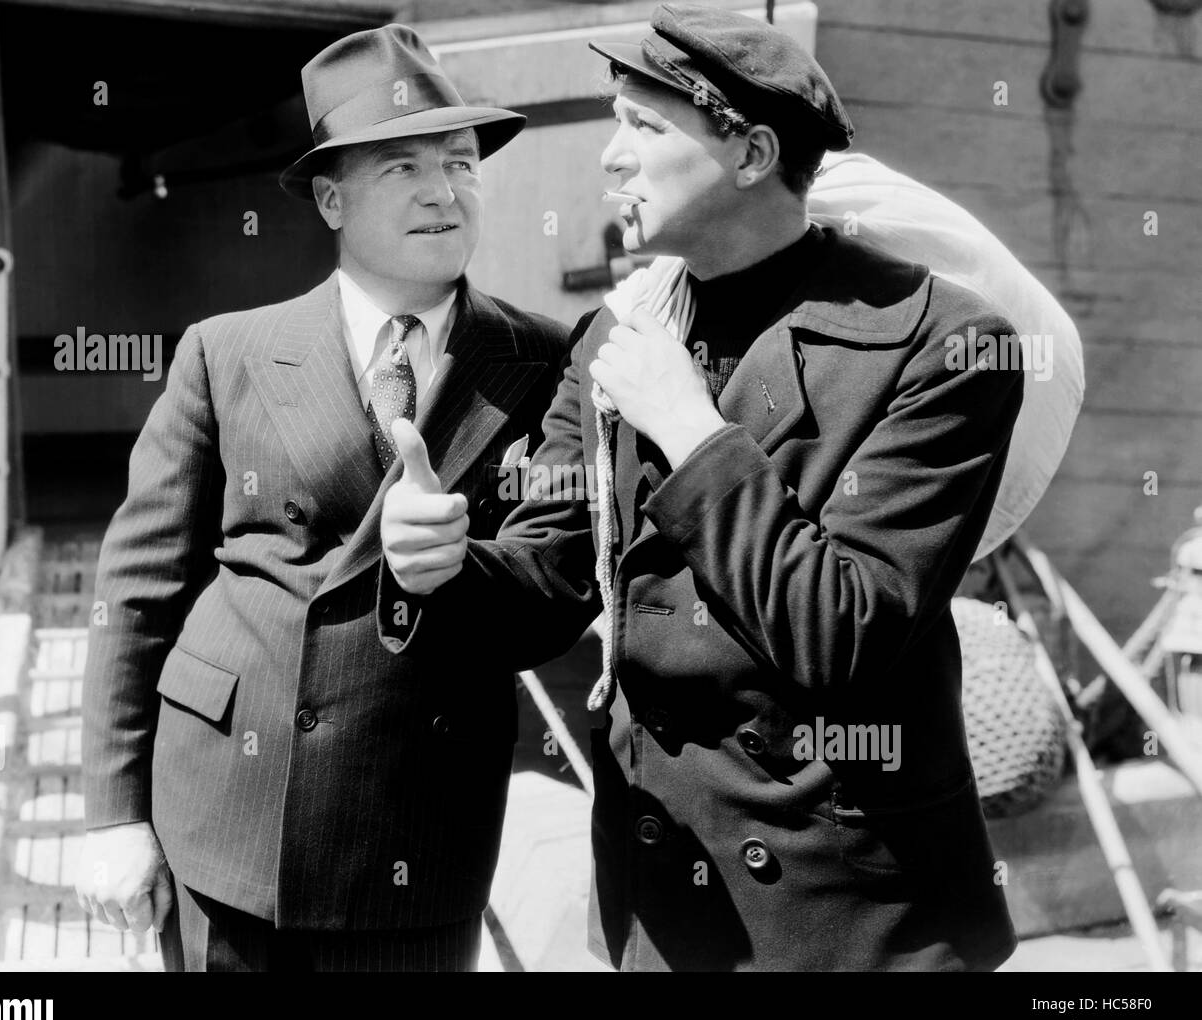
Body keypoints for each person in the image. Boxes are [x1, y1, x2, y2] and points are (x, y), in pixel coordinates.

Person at [380, 3, 1022, 971]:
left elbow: (843, 631)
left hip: (853, 916)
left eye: (643, 126)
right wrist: (446, 567)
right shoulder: (616, 336)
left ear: (754, 153)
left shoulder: (939, 345)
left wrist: (689, 427)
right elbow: (553, 577)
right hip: (665, 899)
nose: (610, 157)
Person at [76, 24, 569, 971]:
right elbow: (135, 592)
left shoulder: (545, 363)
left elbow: (555, 582)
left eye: (461, 161)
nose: (442, 190)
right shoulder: (227, 354)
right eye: (402, 168)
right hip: (227, 815)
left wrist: (460, 566)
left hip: (415, 828)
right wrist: (111, 814)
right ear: (332, 198)